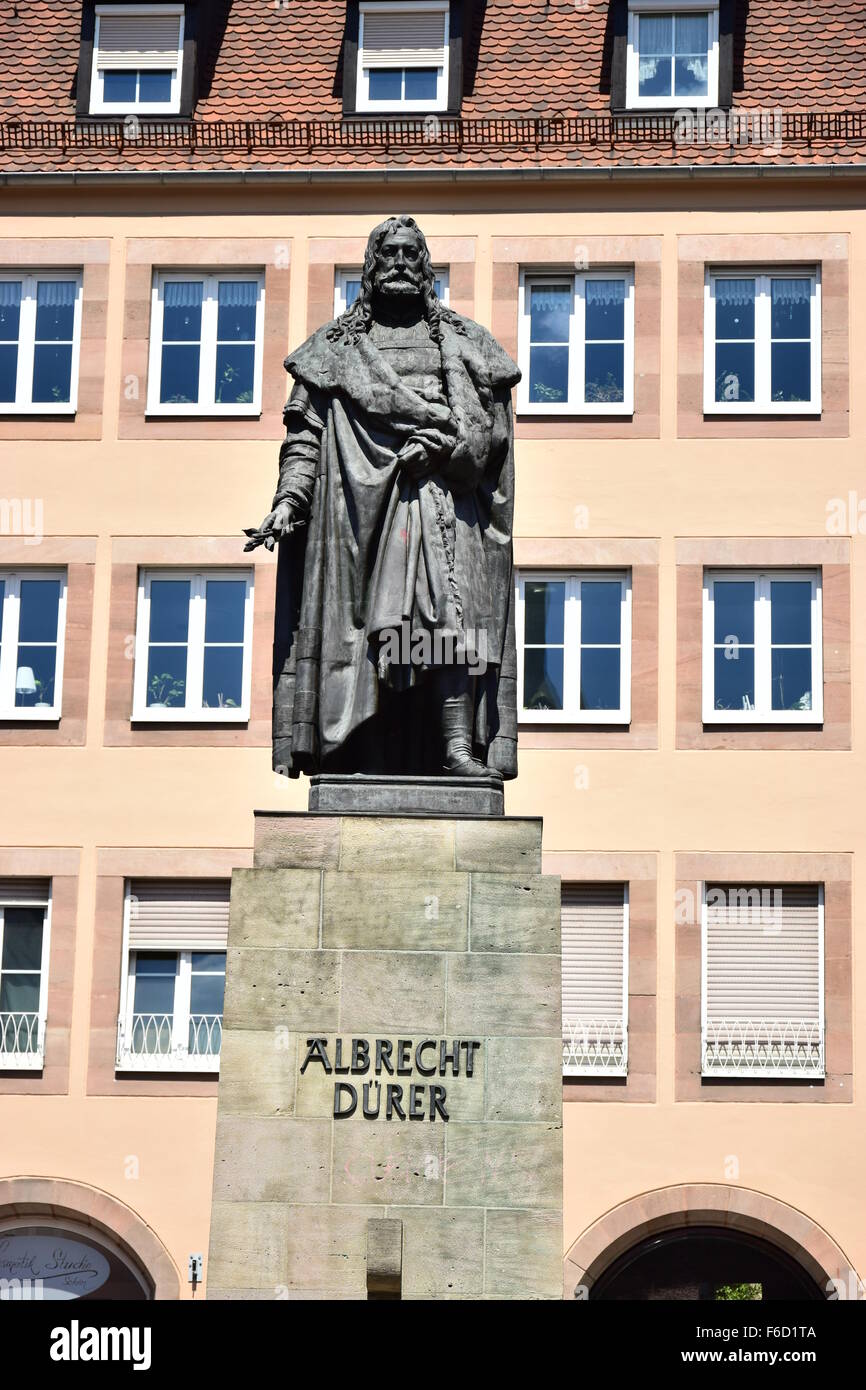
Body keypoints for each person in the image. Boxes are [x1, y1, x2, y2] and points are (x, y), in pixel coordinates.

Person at [246, 215, 520, 780]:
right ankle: (361, 755)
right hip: (356, 519)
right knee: (375, 630)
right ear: (370, 268)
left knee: (450, 624)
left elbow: (492, 436)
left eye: (410, 255)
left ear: (427, 269)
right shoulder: (335, 349)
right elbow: (306, 437)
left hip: (445, 508)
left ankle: (456, 750)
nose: (399, 263)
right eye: (387, 254)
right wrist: (289, 501)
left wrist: (444, 450)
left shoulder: (467, 343)